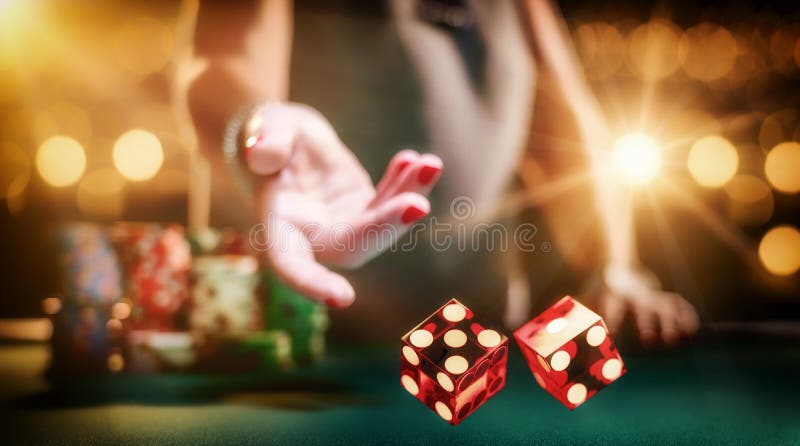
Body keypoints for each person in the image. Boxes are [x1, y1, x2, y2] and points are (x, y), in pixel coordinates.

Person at [177, 0, 698, 346]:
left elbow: (569, 134)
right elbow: (223, 63)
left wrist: (615, 268)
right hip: (291, 350)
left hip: (481, 338)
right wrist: (259, 127)